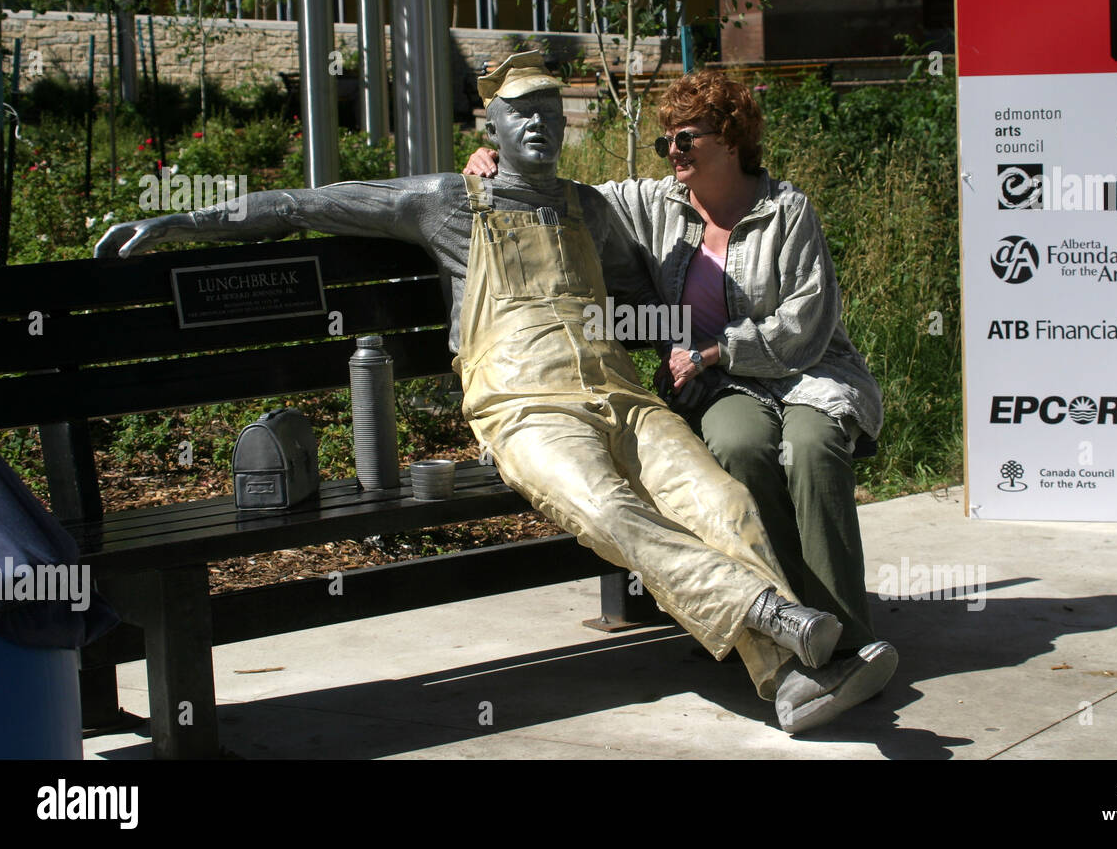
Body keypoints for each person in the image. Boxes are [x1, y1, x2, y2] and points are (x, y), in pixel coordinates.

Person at [95, 52, 896, 734]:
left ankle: (788, 681)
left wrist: (701, 353)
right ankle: (779, 626)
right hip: (527, 412)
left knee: (724, 503)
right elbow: (307, 205)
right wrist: (179, 222)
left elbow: (654, 289)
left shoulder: (592, 207)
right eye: (522, 114)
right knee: (612, 511)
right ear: (492, 130)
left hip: (621, 397)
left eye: (552, 110)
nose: (540, 125)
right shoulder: (443, 200)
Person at [464, 70, 890, 669]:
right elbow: (552, 190)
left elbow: (806, 322)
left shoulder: (787, 211)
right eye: (667, 141)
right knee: (740, 447)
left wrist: (715, 350)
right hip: (721, 385)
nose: (672, 153)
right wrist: (489, 158)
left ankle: (846, 635)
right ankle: (790, 615)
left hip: (806, 371)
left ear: (732, 141)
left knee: (814, 446)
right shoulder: (652, 203)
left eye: (686, 140)